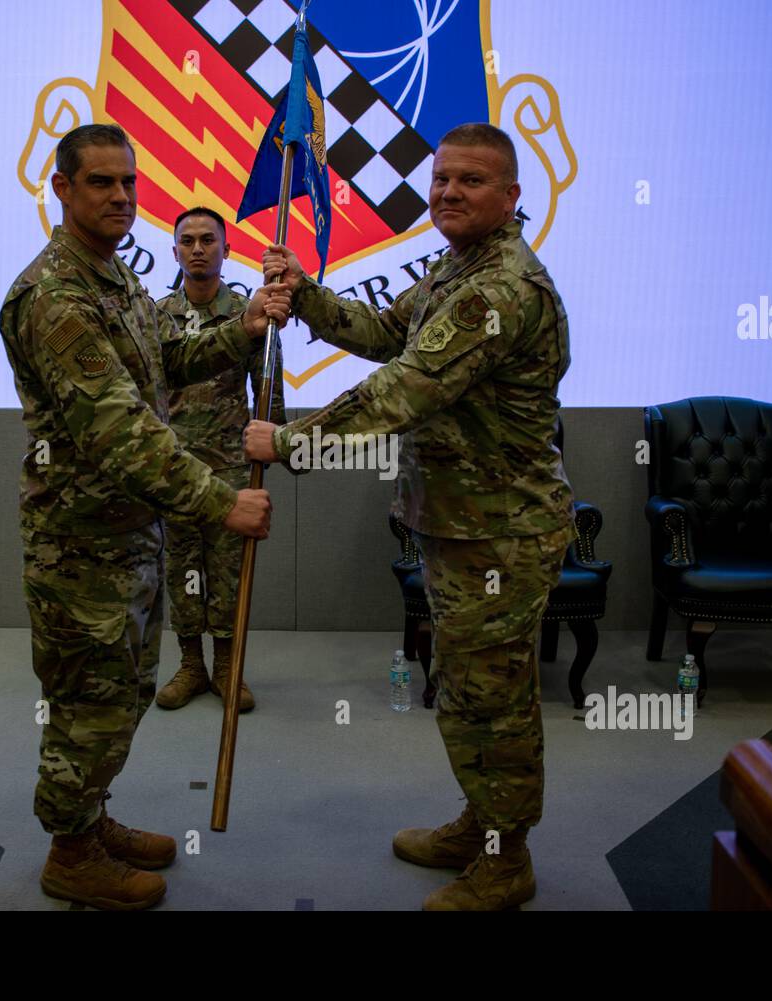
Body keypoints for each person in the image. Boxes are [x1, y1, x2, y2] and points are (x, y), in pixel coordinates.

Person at [245, 123, 575, 911]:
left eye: (470, 181)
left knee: (493, 698)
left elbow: (401, 390)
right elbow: (389, 333)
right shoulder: (456, 271)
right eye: (441, 180)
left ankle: (507, 857)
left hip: (500, 533)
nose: (449, 193)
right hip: (458, 525)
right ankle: (480, 822)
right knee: (465, 689)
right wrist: (311, 295)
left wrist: (288, 440)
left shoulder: (500, 290)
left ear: (512, 196)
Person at [0, 123, 289, 910]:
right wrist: (223, 500)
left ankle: (91, 819)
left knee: (124, 690)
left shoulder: (116, 280)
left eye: (128, 182)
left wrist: (242, 330)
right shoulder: (56, 297)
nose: (121, 196)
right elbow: (121, 432)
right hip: (81, 542)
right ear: (61, 189)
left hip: (129, 533)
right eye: (101, 183)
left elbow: (165, 365)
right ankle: (69, 850)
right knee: (89, 700)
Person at [154, 208, 289, 713]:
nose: (197, 248)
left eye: (207, 239)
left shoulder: (248, 313)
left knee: (229, 574)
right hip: (174, 468)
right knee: (182, 571)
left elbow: (268, 382)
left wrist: (272, 441)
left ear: (226, 250)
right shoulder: (159, 315)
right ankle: (191, 665)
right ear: (174, 253)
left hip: (231, 467)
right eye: (186, 240)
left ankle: (229, 668)